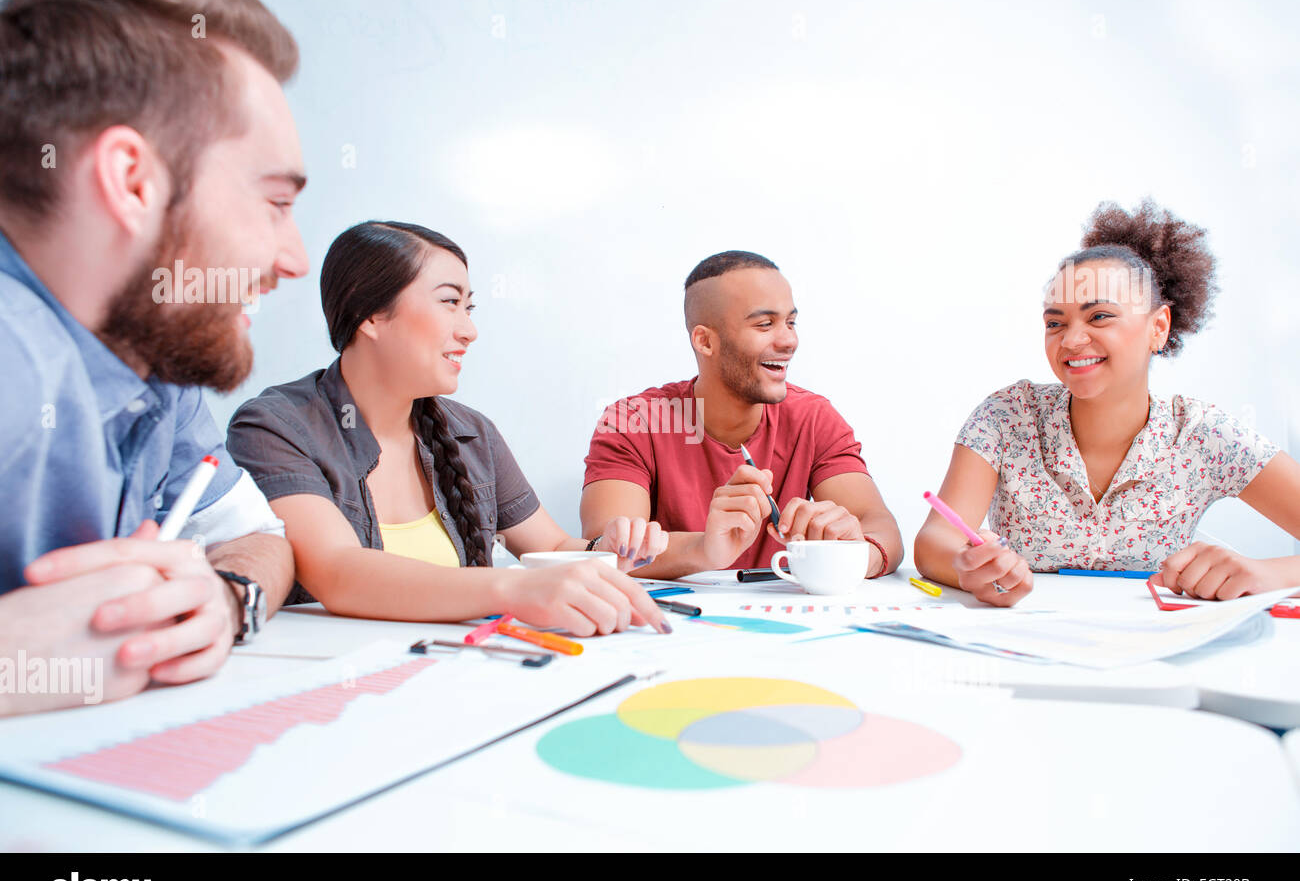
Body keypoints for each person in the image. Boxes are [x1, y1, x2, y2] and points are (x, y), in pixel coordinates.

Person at [0, 0, 307, 715]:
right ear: (133, 181)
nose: (294, 257)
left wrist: (223, 600)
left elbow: (260, 537)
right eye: (275, 203)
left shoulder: (152, 368)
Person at [227, 221, 669, 636]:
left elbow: (550, 546)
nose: (470, 330)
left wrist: (602, 551)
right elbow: (338, 572)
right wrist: (509, 590)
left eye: (469, 306)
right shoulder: (275, 427)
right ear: (370, 314)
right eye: (449, 302)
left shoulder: (472, 432)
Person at [914, 199, 1300, 606]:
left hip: (1155, 651)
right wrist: (967, 566)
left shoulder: (1204, 435)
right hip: (1028, 642)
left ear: (1158, 327)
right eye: (1055, 323)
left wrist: (1266, 573)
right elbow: (936, 540)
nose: (1071, 340)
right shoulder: (1008, 416)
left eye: (1099, 316)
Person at [581, 250, 902, 579]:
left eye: (790, 322)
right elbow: (606, 551)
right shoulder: (632, 421)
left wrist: (858, 553)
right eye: (765, 325)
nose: (790, 340)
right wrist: (706, 549)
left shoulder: (814, 417)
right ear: (705, 341)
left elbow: (881, 528)